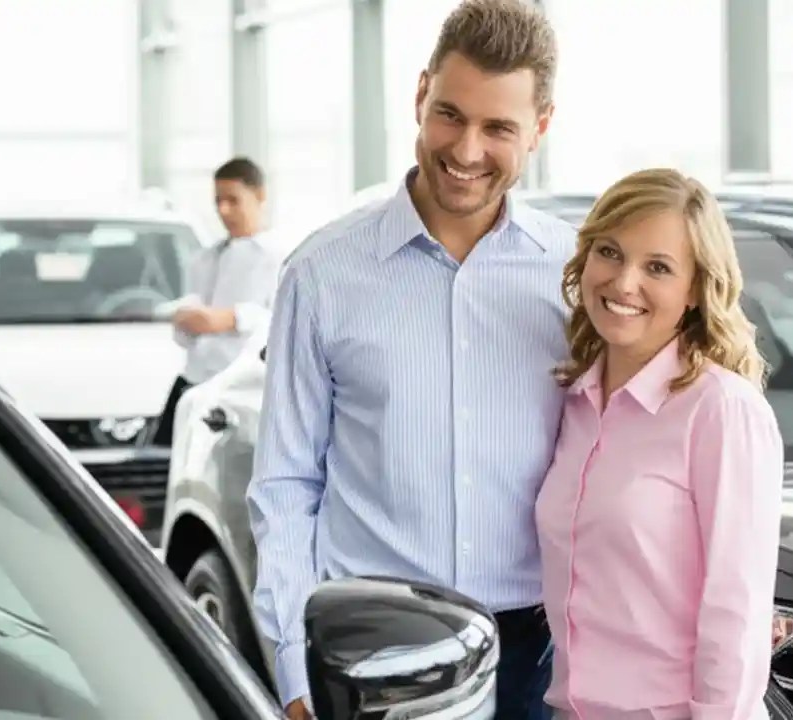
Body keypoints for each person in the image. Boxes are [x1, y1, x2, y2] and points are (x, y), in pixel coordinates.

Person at [246, 1, 574, 718]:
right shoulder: (322, 273)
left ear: (540, 128)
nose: (465, 150)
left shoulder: (575, 279)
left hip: (543, 658)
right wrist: (294, 672)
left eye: (498, 128)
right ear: (421, 94)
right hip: (374, 648)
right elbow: (285, 484)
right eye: (451, 114)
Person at [535, 168, 783, 720]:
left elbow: (736, 612)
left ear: (695, 288)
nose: (624, 283)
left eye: (658, 268)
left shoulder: (722, 410)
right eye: (610, 252)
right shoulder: (573, 403)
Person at [152, 156, 281, 447]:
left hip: (244, 390)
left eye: (233, 200)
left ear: (259, 196)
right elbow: (187, 337)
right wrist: (187, 319)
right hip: (195, 381)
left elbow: (283, 321)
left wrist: (231, 318)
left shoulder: (280, 258)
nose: (224, 211)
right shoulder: (204, 260)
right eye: (218, 201)